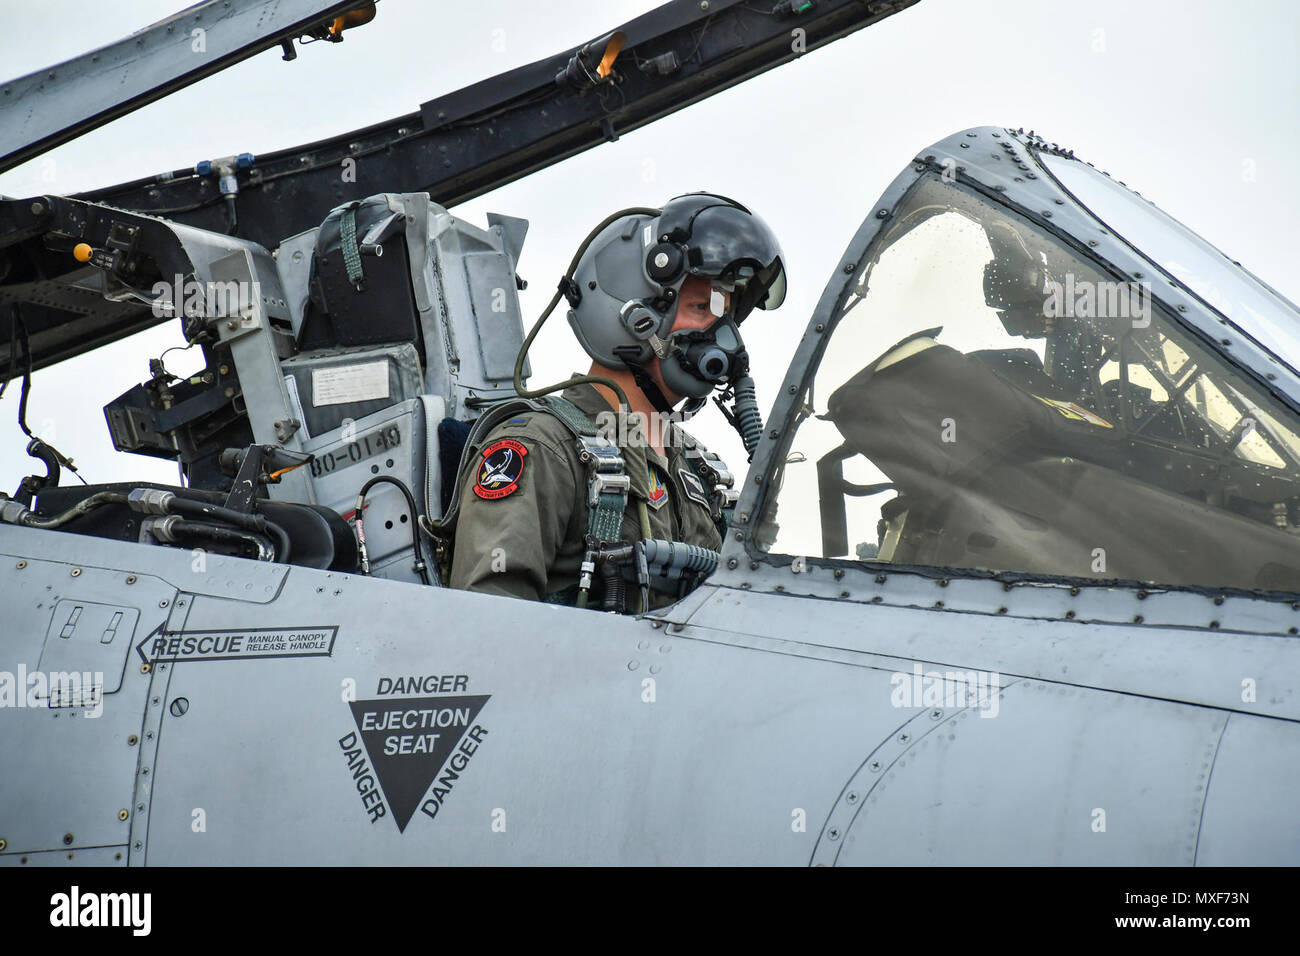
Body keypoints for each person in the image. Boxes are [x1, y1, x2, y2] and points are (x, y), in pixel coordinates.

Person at [448, 193, 786, 610]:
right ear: (631, 315)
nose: (727, 337)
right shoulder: (544, 450)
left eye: (728, 315)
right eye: (702, 307)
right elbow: (485, 625)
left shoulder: (700, 470)